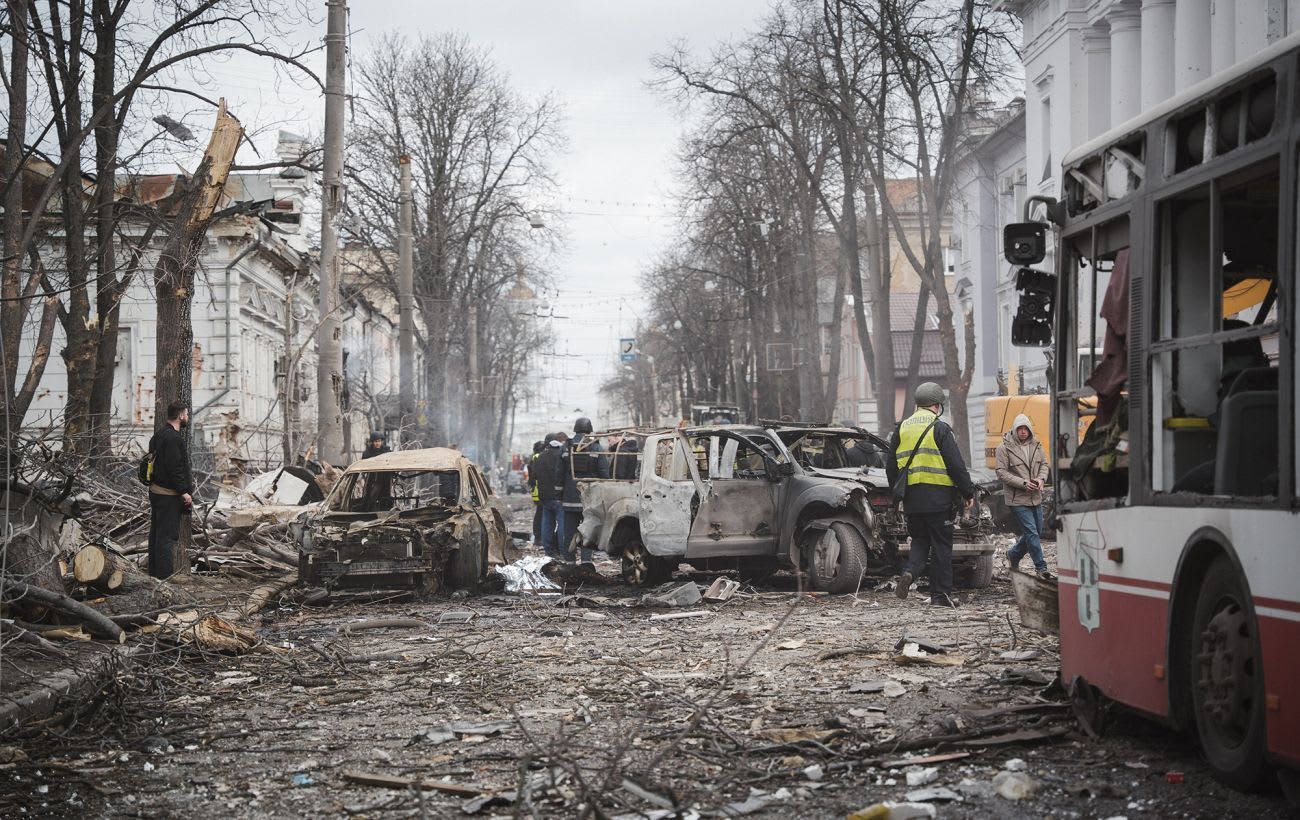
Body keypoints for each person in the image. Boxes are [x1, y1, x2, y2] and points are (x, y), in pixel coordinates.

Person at [887, 382, 977, 608]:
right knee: (941, 547)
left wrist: (897, 495)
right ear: (937, 405)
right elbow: (956, 465)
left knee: (919, 540)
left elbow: (890, 467)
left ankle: (909, 573)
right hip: (938, 499)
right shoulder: (940, 428)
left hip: (912, 500)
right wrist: (968, 491)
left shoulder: (902, 428)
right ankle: (940, 596)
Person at [995, 413, 1052, 578]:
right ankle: (1042, 568)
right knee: (1032, 533)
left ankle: (1013, 554)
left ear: (1029, 430)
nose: (1022, 432)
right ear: (1014, 430)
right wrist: (1023, 483)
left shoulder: (1037, 445)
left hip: (1035, 497)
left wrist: (1041, 479)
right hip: (1017, 499)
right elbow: (1001, 473)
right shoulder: (1003, 448)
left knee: (1035, 532)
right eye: (1019, 428)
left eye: (1025, 428)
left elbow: (1044, 465)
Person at [147, 400, 195, 579]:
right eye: (187, 414)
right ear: (181, 415)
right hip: (168, 496)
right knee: (167, 539)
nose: (187, 417)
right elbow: (175, 468)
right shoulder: (173, 439)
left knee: (157, 536)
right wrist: (184, 491)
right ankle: (163, 581)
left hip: (156, 492)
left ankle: (153, 576)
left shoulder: (158, 435)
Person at [562, 417, 607, 563]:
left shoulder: (566, 446)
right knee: (588, 531)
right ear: (589, 430)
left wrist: (559, 494)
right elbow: (604, 473)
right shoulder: (595, 447)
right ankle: (586, 562)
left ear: (575, 428)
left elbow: (558, 472)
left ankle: (569, 562)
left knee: (569, 531)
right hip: (589, 499)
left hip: (569, 498)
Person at [536, 432, 568, 561]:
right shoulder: (561, 455)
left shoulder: (540, 456)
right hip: (558, 496)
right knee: (562, 524)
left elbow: (535, 476)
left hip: (544, 496)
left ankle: (548, 551)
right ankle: (563, 551)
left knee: (547, 524)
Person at [528, 439, 545, 547]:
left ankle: (538, 537)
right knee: (541, 514)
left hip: (536, 490)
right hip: (540, 490)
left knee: (539, 513)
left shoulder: (533, 457)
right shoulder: (538, 457)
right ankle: (539, 537)